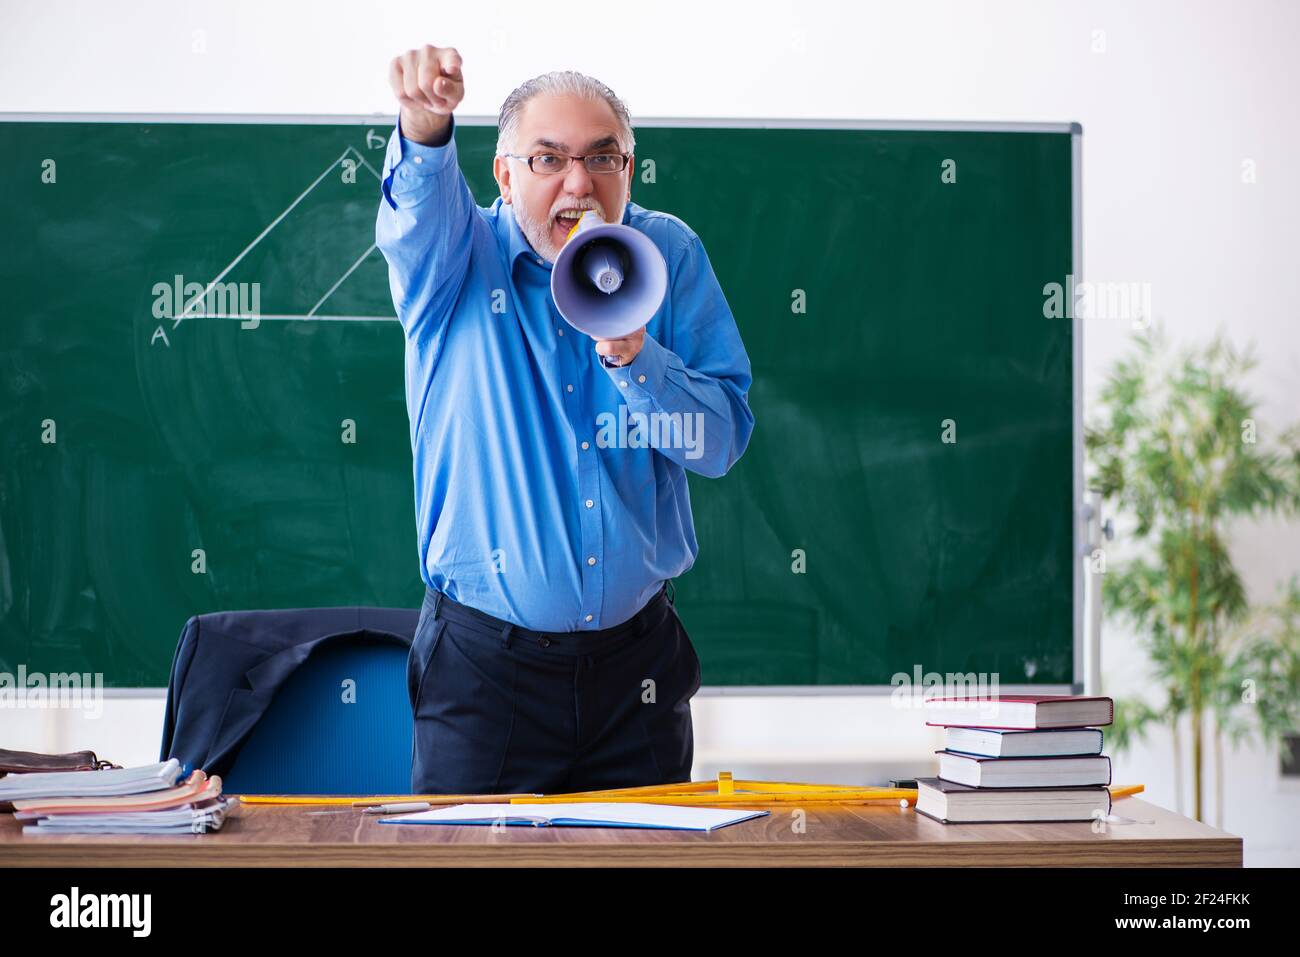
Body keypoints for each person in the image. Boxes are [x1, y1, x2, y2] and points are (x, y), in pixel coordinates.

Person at [377, 44, 754, 794]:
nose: (578, 184)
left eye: (602, 159)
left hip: (638, 673)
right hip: (486, 677)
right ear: (504, 173)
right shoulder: (457, 255)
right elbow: (418, 208)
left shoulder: (669, 254)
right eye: (548, 159)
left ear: (629, 171)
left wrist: (636, 357)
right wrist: (424, 121)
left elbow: (718, 443)